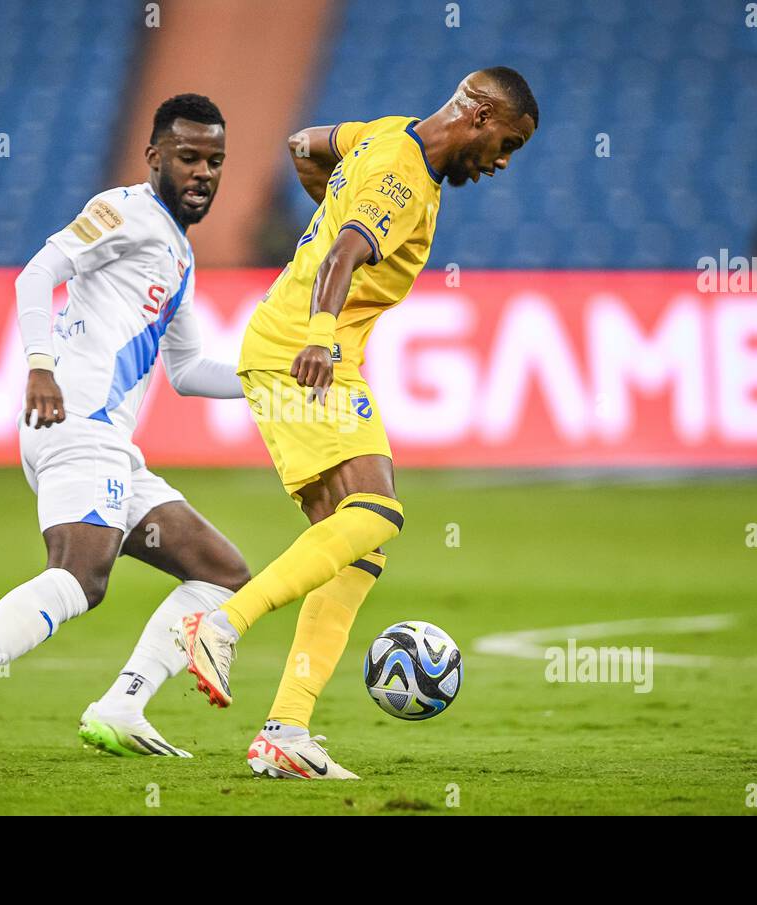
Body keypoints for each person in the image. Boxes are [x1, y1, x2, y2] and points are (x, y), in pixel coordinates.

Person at [177, 68, 539, 779]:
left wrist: (327, 218)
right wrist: (321, 324)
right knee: (376, 513)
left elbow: (304, 145)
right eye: (507, 144)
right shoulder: (401, 179)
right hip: (305, 352)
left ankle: (285, 729)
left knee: (351, 546)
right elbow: (346, 250)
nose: (501, 163)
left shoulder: (383, 134)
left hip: (291, 347)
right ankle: (221, 624)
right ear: (481, 111)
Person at [0, 94, 250, 764]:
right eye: (189, 157)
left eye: (216, 161)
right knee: (82, 577)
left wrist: (273, 376)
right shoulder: (124, 210)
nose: (204, 172)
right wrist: (39, 365)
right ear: (154, 158)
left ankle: (122, 704)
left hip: (111, 442)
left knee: (222, 572)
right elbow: (38, 273)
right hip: (76, 418)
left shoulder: (179, 254)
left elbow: (189, 369)